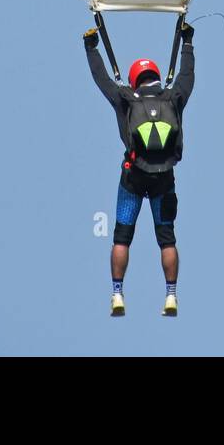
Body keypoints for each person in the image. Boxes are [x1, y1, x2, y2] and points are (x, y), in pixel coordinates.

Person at [83, 21, 195, 316]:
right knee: (166, 237)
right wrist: (188, 43)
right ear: (157, 77)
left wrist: (91, 48)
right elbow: (187, 75)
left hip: (133, 177)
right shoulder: (174, 96)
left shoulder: (125, 98)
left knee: (122, 235)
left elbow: (101, 78)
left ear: (134, 81)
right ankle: (171, 296)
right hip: (164, 177)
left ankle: (117, 293)